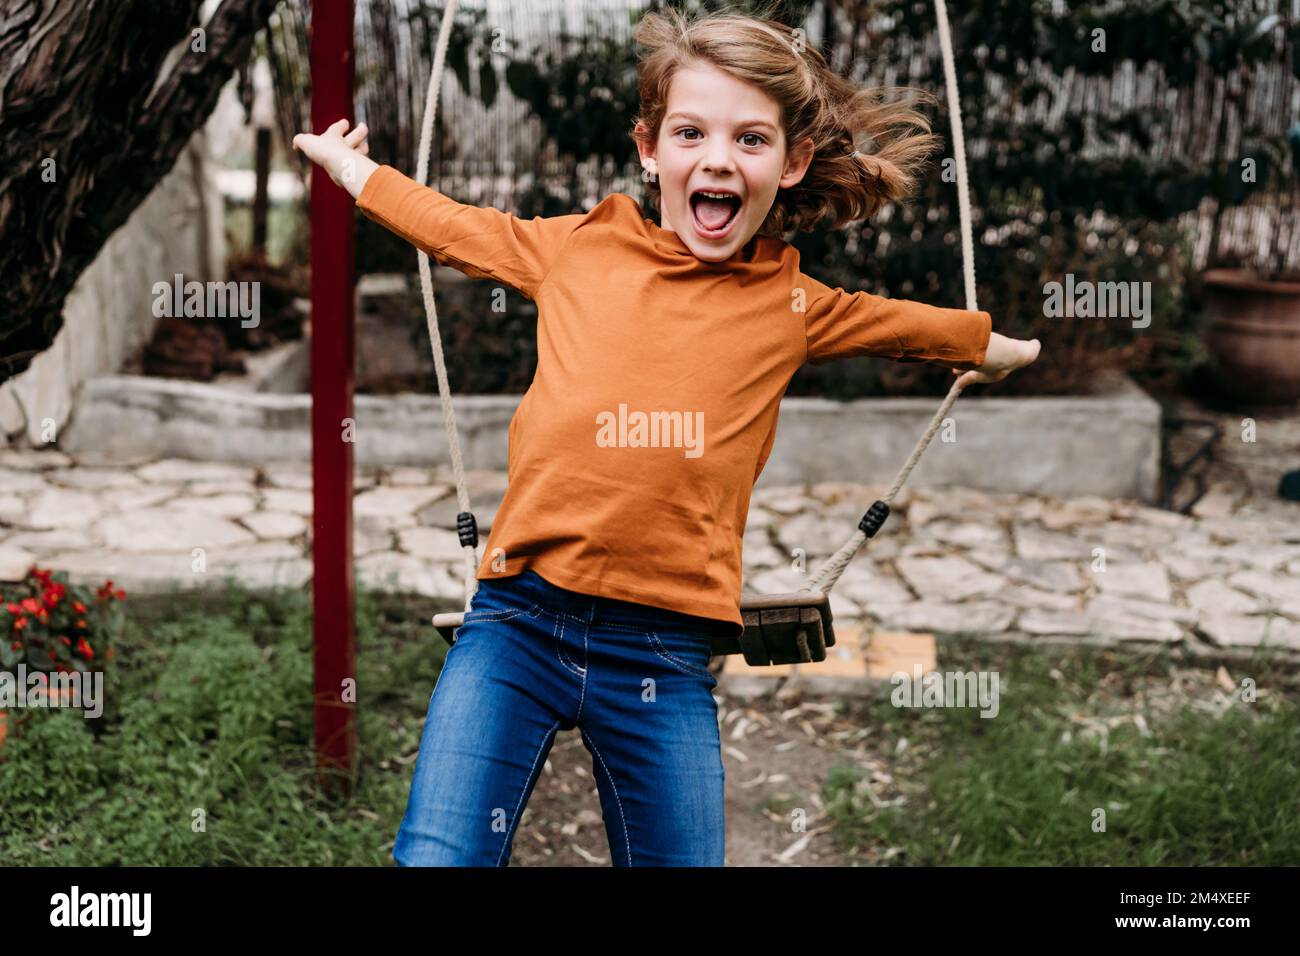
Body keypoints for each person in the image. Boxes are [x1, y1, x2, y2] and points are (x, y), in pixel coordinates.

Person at [293, 6, 1041, 867]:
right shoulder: (579, 249)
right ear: (651, 149)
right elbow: (456, 227)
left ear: (793, 163)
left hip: (663, 647)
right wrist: (353, 167)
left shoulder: (791, 304)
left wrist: (995, 345)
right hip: (517, 622)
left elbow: (899, 324)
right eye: (691, 133)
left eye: (750, 140)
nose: (718, 158)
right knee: (436, 856)